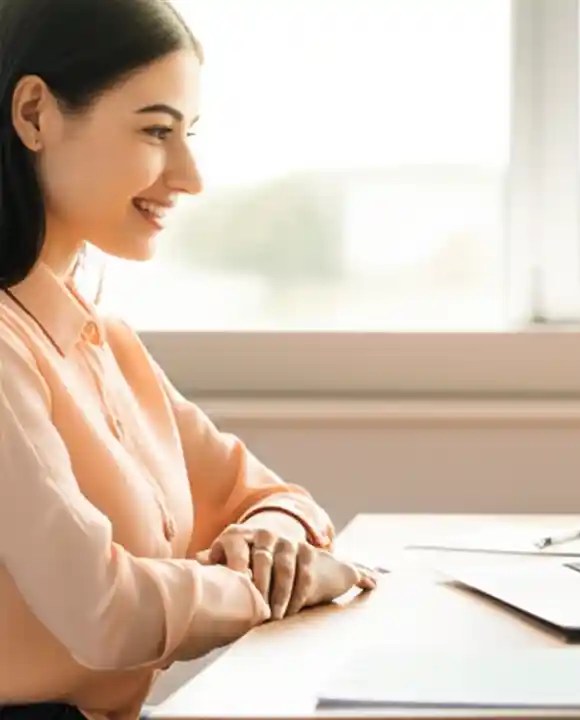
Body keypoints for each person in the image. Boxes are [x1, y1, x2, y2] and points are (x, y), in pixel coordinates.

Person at [0, 2, 377, 719]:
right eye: (155, 131)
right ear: (34, 114)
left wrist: (276, 546)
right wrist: (274, 588)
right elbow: (104, 613)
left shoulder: (104, 343)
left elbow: (273, 499)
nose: (190, 175)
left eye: (189, 135)